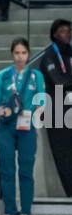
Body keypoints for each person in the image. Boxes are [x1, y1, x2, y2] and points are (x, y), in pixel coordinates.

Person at [0, 38, 45, 215]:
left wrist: (31, 114)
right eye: (17, 53)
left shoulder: (36, 76)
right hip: (6, 127)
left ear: (28, 54)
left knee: (25, 171)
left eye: (23, 53)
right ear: (12, 54)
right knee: (6, 171)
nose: (20, 57)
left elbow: (42, 100)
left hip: (27, 127)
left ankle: (25, 213)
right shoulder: (2, 75)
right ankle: (9, 212)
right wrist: (2, 111)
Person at [39, 19, 72, 197]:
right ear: (54, 35)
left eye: (69, 31)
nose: (66, 34)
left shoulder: (70, 54)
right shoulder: (50, 55)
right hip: (56, 112)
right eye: (62, 31)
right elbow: (59, 81)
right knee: (64, 155)